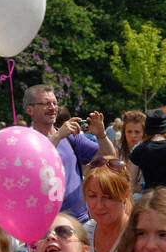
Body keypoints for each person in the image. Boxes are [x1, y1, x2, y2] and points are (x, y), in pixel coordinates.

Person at [24, 85, 117, 223]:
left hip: (79, 221)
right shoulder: (25, 140)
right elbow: (36, 161)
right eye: (45, 103)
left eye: (54, 103)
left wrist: (101, 135)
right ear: (29, 110)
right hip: (43, 223)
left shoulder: (71, 137)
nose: (52, 108)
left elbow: (109, 157)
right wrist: (58, 135)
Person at [82, 159, 133, 252]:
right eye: (92, 196)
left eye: (108, 197)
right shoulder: (85, 232)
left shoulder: (138, 237)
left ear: (125, 196)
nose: (98, 206)